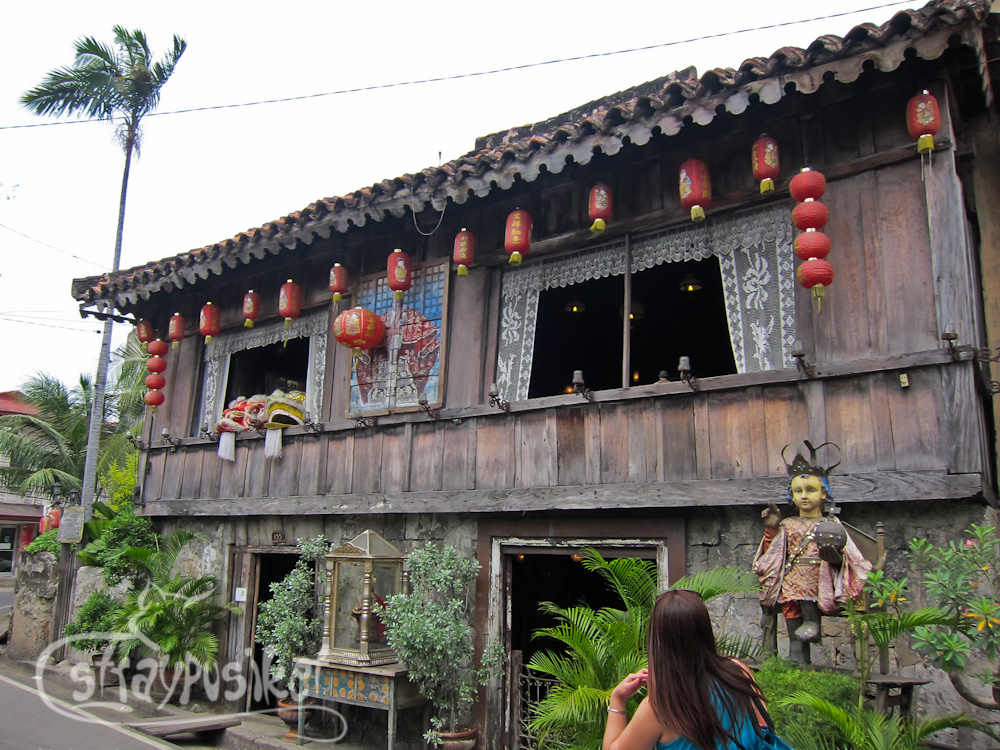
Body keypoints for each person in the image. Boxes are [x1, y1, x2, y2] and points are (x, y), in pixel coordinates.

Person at [752, 442, 871, 663]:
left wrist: (835, 559)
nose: (804, 496)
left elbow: (849, 554)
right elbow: (772, 555)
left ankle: (813, 622)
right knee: (790, 605)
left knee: (806, 586)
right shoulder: (788, 524)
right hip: (789, 578)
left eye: (811, 490)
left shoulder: (831, 523)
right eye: (798, 491)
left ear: (824, 493)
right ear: (792, 495)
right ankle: (798, 659)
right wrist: (771, 529)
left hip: (821, 577)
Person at [603, 589, 766, 750]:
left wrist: (617, 698)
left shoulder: (660, 707)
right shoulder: (738, 671)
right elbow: (763, 731)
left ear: (658, 642)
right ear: (705, 631)